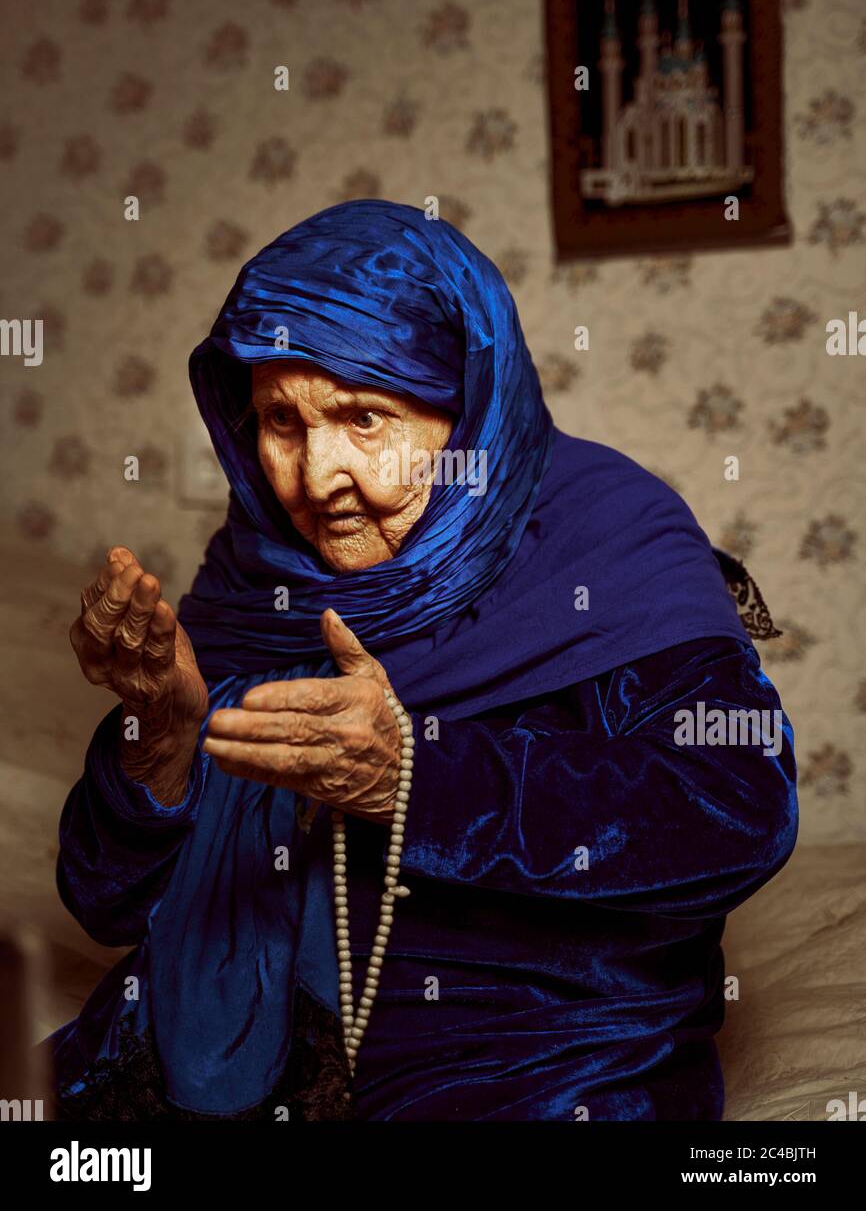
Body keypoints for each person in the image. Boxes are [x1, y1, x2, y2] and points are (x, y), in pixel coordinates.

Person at [43, 199, 798, 1121]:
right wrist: (162, 733)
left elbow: (741, 811)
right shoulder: (256, 574)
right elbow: (106, 905)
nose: (317, 478)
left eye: (365, 419)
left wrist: (417, 780)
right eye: (282, 422)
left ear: (471, 410)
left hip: (534, 1062)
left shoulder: (607, 540)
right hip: (213, 1064)